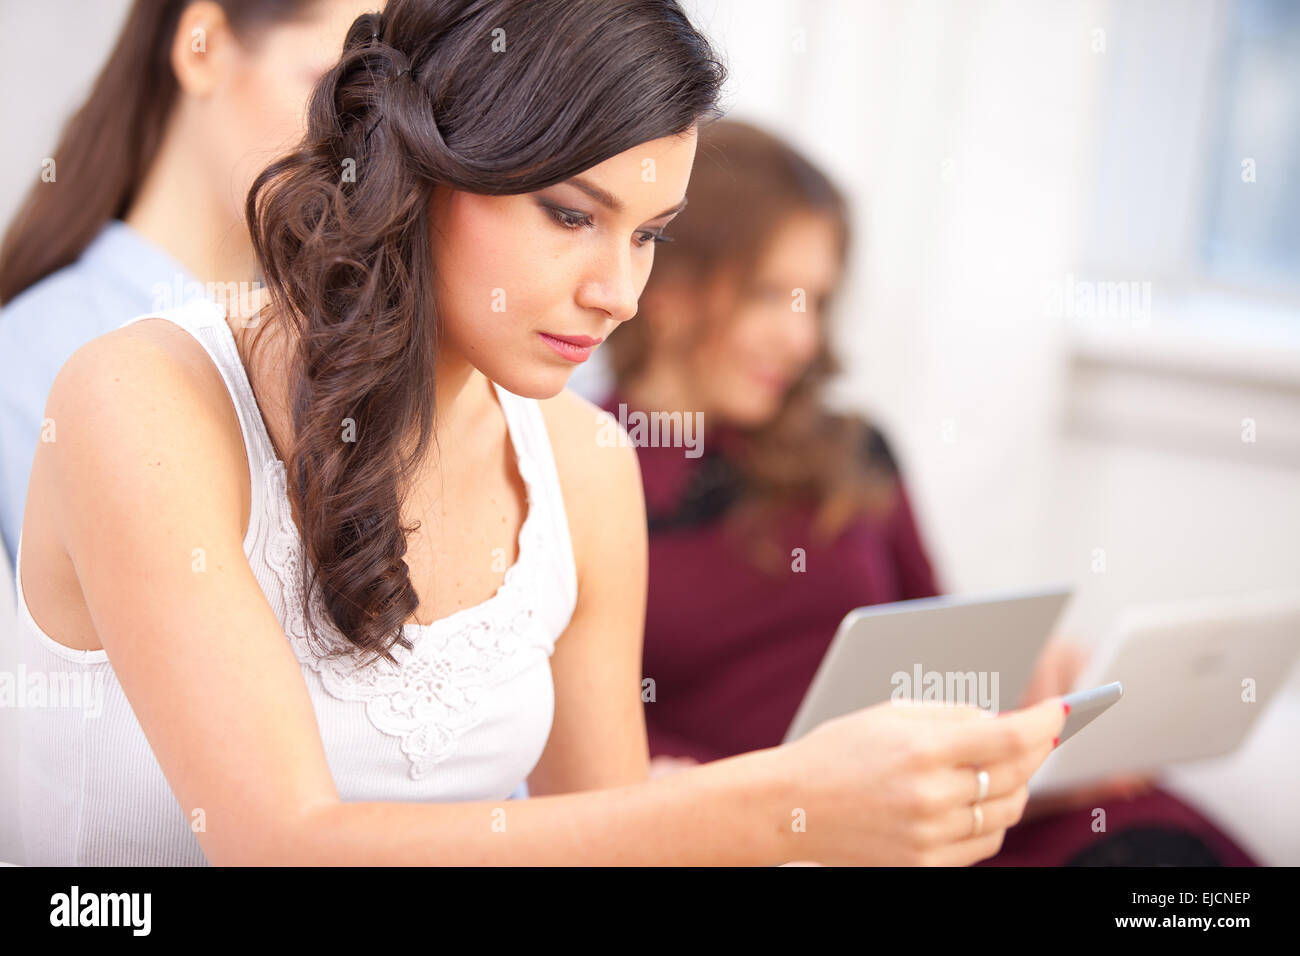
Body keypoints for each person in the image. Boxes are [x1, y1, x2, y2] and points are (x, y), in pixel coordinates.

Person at [14, 0, 1066, 866]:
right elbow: (282, 845)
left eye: (648, 234)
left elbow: (610, 842)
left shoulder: (580, 464)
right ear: (420, 167)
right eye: (571, 214)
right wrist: (785, 800)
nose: (618, 292)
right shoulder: (141, 399)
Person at [598, 118, 1256, 866]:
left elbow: (946, 641)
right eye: (772, 293)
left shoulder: (850, 450)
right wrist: (774, 799)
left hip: (961, 820)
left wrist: (1034, 691)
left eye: (816, 300)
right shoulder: (581, 465)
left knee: (1153, 851)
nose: (804, 337)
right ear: (670, 285)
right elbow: (590, 745)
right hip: (783, 832)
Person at [0, 0, 373, 570]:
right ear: (204, 47)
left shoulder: (345, 336)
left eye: (376, 106)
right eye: (330, 88)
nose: (364, 143)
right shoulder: (39, 351)